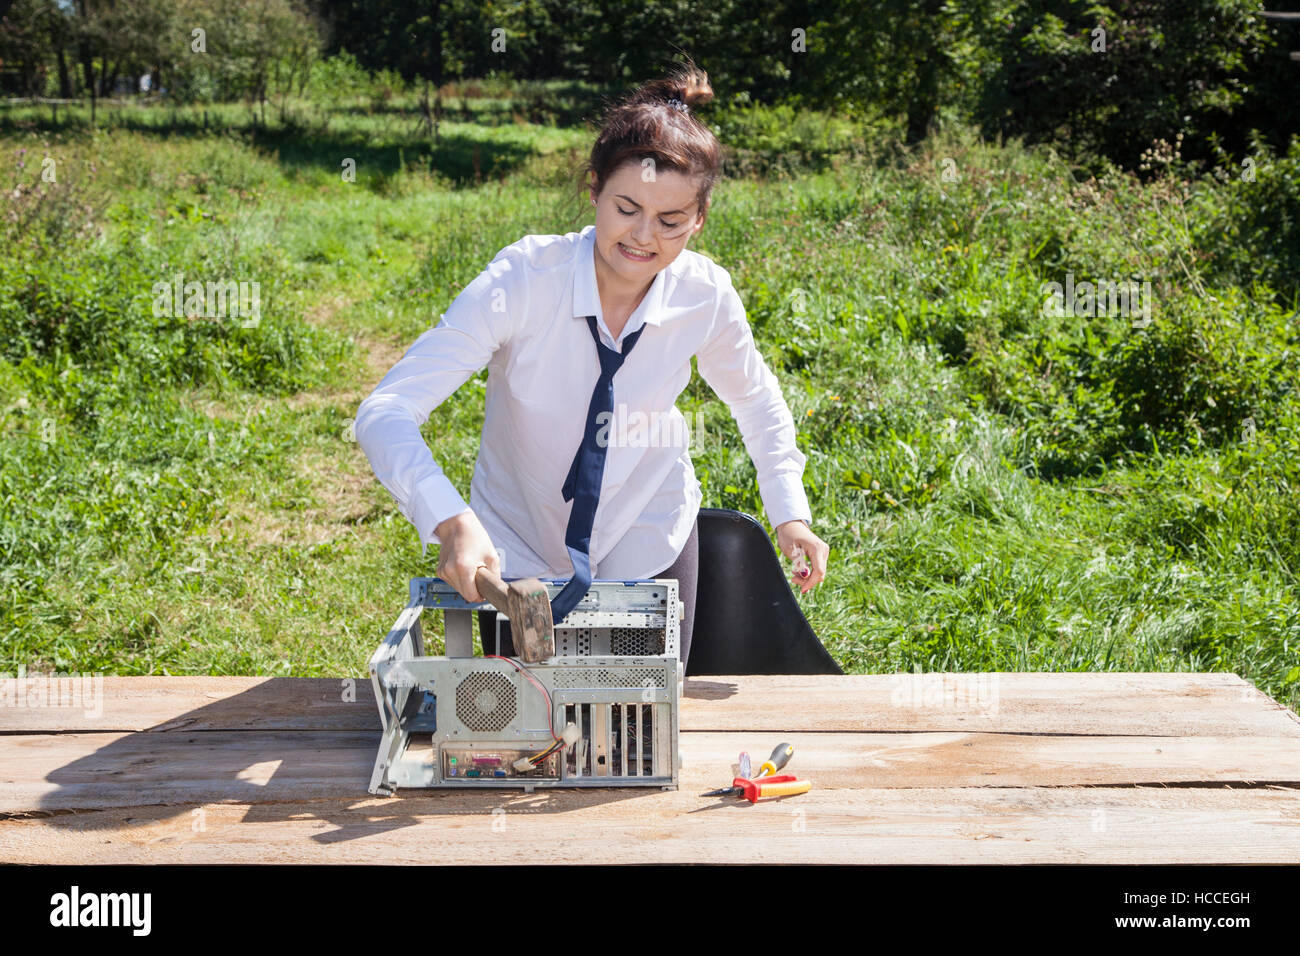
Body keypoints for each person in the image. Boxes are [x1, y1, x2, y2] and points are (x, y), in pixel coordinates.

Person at [354, 61, 829, 670]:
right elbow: (386, 411)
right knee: (537, 744)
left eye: (671, 221)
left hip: (649, 531)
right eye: (627, 207)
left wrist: (789, 513)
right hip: (519, 549)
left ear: (700, 220)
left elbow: (756, 401)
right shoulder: (523, 281)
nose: (644, 237)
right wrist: (450, 523)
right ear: (594, 191)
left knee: (641, 735)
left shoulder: (703, 294)